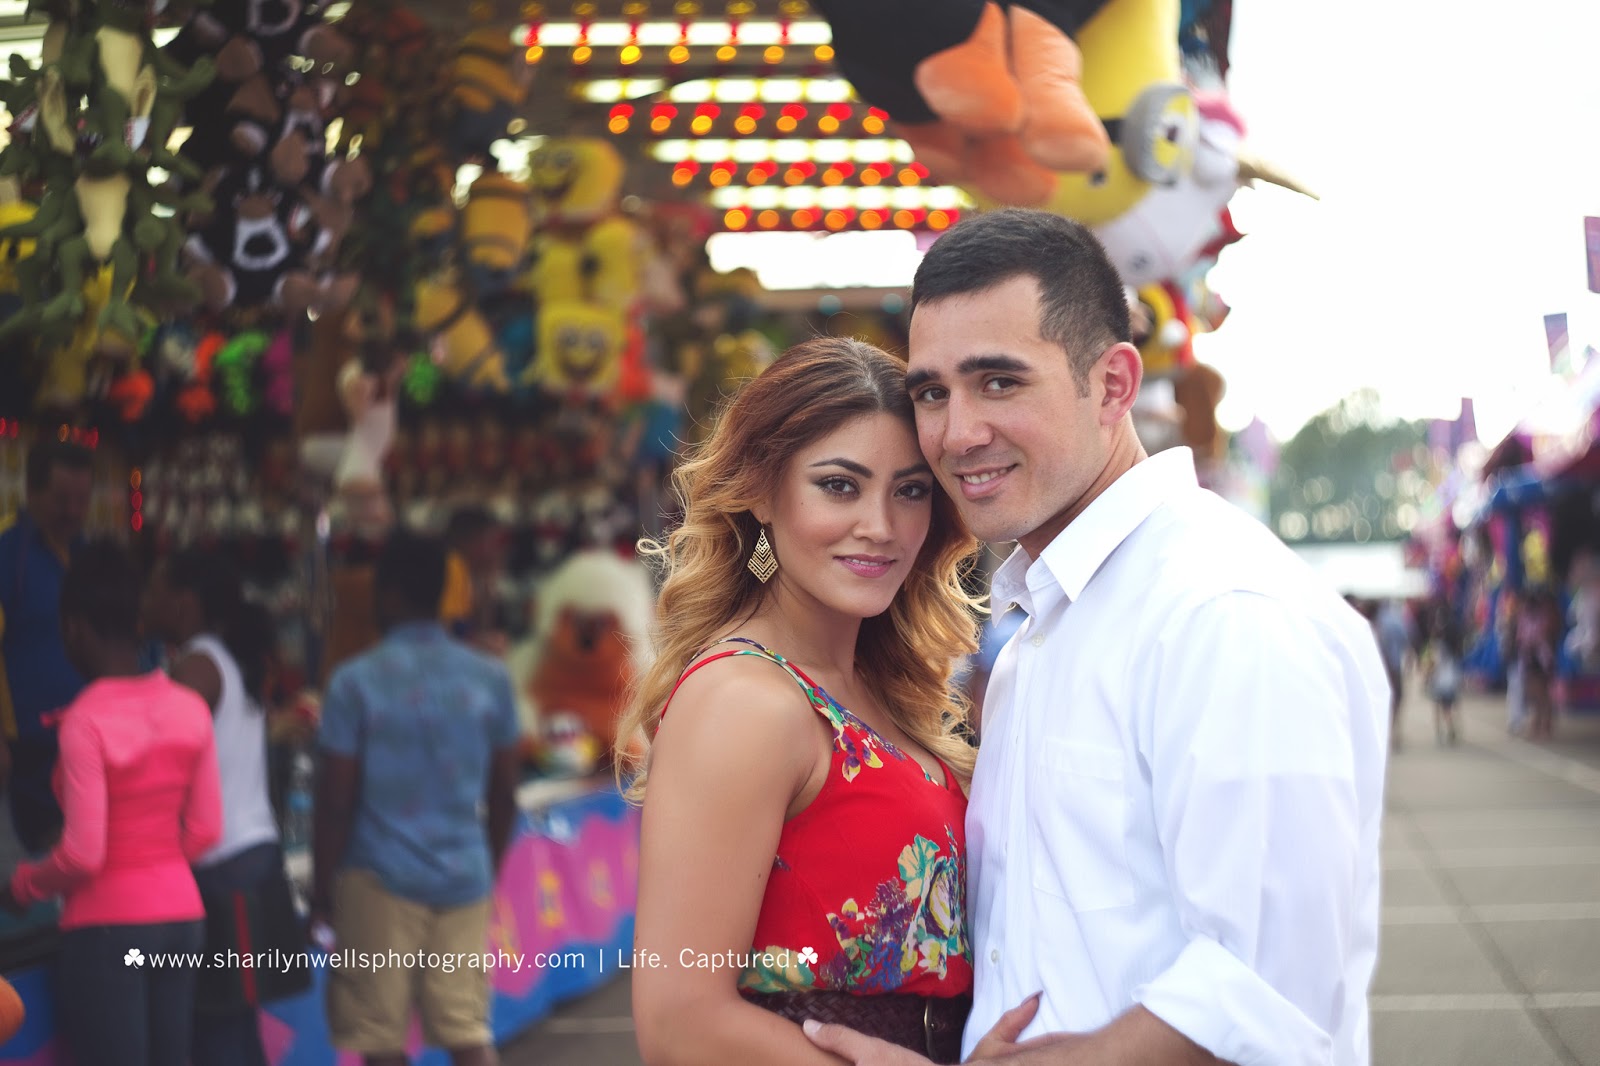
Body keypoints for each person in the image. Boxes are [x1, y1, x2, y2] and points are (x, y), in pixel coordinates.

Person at [803, 208, 1391, 1066]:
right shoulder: (1045, 621)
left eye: (999, 382)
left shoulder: (1223, 613)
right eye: (932, 391)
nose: (956, 433)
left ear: (1113, 385)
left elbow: (1267, 996)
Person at [620, 337, 991, 1065]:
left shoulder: (877, 689)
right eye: (839, 485)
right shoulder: (745, 700)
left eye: (911, 490)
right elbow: (678, 1021)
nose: (881, 526)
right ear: (761, 489)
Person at [0, 541, 223, 1066]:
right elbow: (207, 828)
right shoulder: (188, 707)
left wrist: (25, 885)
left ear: (72, 628)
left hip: (107, 929)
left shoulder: (85, 721)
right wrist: (157, 865)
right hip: (182, 917)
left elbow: (83, 853)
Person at [312, 531, 521, 1066]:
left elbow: (335, 801)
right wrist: (486, 864)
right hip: (463, 874)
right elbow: (504, 793)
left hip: (377, 878)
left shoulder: (352, 682)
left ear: (389, 596)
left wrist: (323, 885)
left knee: (380, 1040)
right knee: (467, 1030)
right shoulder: (489, 677)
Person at [144, 548, 286, 1066]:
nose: (146, 599)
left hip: (222, 866)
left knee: (218, 1031)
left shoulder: (197, 666)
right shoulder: (225, 658)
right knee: (230, 1027)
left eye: (154, 589)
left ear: (182, 604)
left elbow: (155, 761)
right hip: (248, 857)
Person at [0, 440, 94, 854]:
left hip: (90, 752)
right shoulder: (7, 553)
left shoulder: (89, 555)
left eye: (82, 501)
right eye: (61, 500)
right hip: (27, 758)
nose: (73, 512)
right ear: (32, 494)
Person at [1422, 625, 1463, 746]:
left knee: (1438, 707)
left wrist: (1427, 675)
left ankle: (1439, 731)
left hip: (1439, 681)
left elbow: (1432, 663)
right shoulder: (1452, 648)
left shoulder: (1436, 648)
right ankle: (1451, 728)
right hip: (1451, 680)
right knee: (1448, 707)